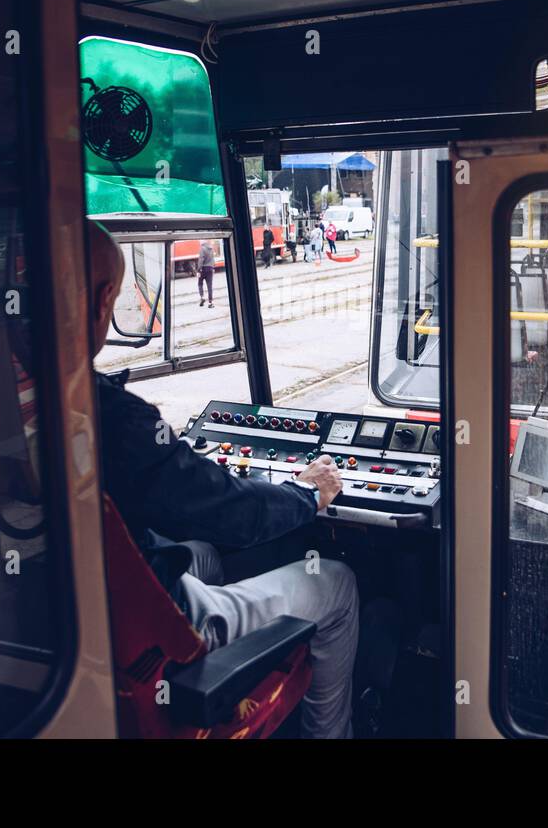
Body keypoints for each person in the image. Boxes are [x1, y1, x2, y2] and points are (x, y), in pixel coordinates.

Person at [87, 222, 358, 738]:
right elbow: (237, 515)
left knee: (205, 553)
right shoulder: (111, 418)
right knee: (336, 583)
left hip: (74, 625)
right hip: (160, 637)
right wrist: (306, 491)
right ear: (104, 299)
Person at [197, 239, 215, 308]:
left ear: (202, 242)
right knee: (209, 286)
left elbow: (201, 259)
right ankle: (210, 303)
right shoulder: (211, 249)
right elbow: (213, 259)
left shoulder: (202, 248)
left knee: (200, 283)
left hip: (203, 269)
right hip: (210, 268)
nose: (199, 242)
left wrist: (199, 270)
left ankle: (202, 297)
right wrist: (213, 268)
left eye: (199, 241)